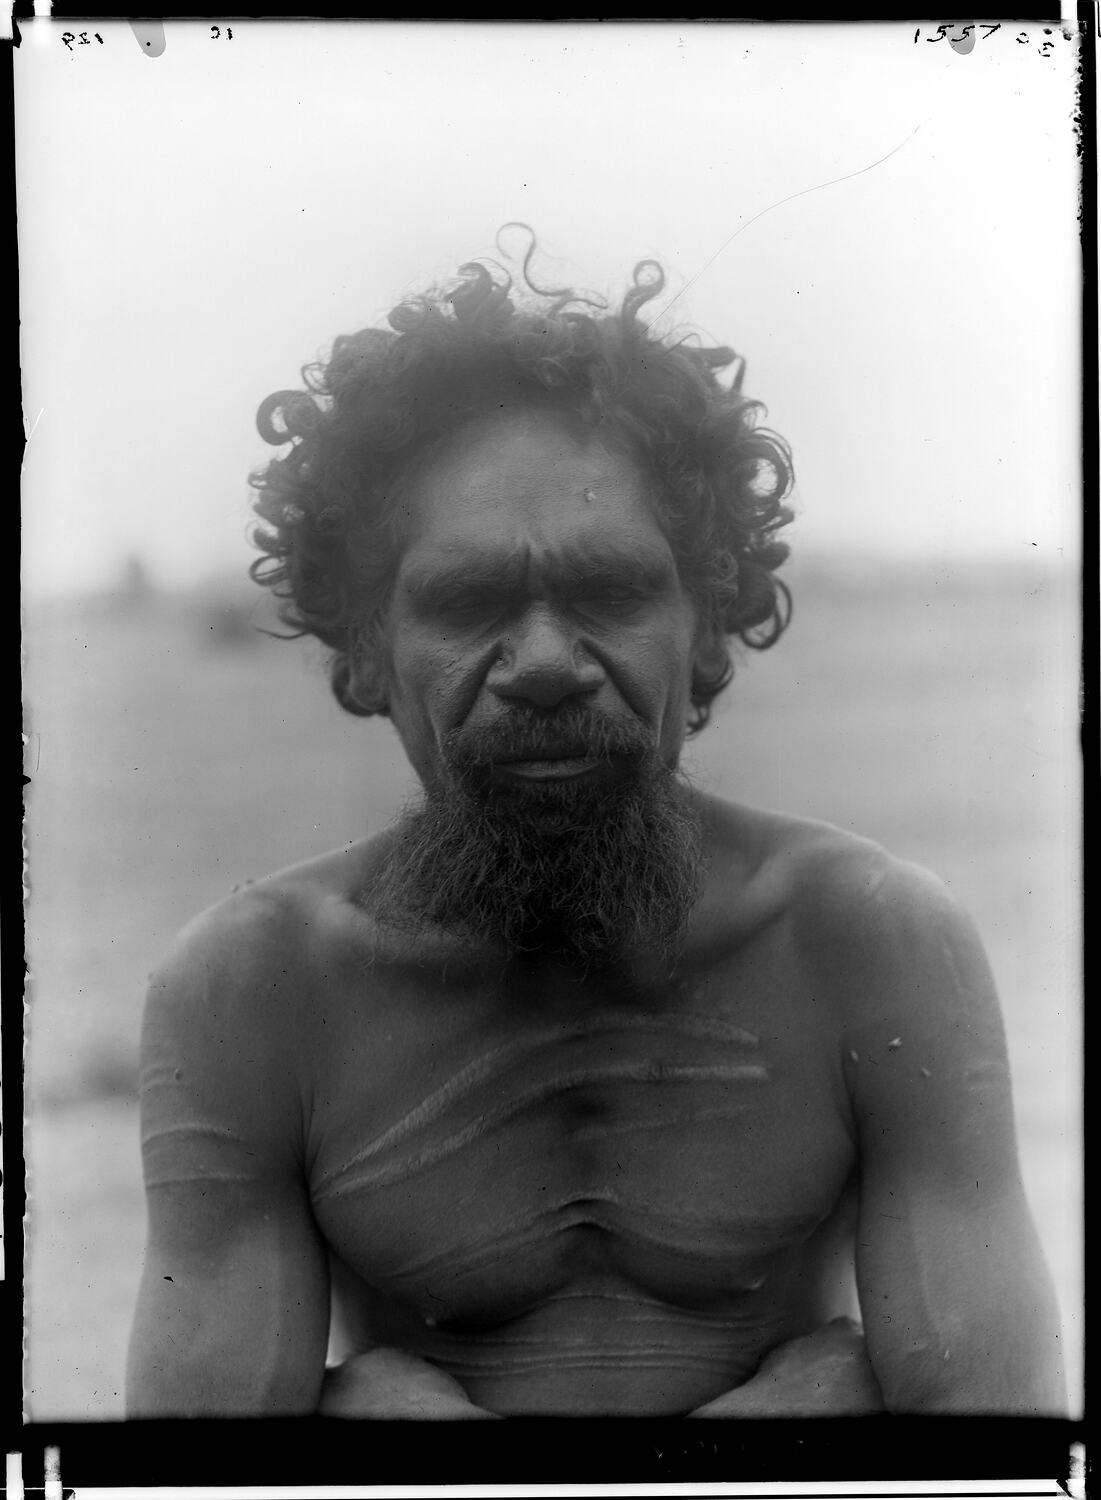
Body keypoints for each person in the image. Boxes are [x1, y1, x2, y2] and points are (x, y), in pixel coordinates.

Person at [125, 236, 1066, 1420]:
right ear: (365, 655)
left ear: (710, 631)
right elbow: (198, 1494)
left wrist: (383, 1420)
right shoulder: (251, 991)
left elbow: (997, 1460)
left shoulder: (872, 944)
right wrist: (816, 1401)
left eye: (611, 591)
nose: (547, 666)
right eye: (469, 603)